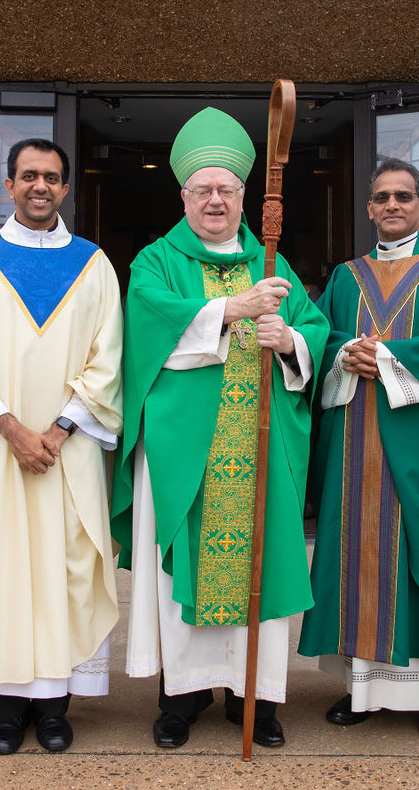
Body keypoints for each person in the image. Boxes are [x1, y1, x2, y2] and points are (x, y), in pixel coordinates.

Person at [112, 106, 328, 749]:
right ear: (182, 196)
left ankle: (250, 697)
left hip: (258, 447)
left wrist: (288, 339)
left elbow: (315, 332)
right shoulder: (156, 261)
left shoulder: (274, 264)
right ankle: (179, 696)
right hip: (184, 452)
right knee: (179, 569)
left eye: (225, 190)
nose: (214, 200)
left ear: (243, 198)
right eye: (202, 190)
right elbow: (149, 328)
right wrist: (231, 310)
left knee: (257, 563)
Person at [0, 138, 123, 756]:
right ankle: (7, 711)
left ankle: (55, 707)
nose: (41, 187)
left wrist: (59, 429)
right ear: (9, 185)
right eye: (29, 176)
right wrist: (12, 429)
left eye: (53, 178)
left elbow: (108, 359)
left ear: (66, 188)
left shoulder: (94, 265)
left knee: (66, 572)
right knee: (0, 572)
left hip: (69, 451)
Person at [298, 158, 419, 740]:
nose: (392, 206)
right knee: (355, 558)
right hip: (353, 443)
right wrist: (341, 354)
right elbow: (321, 335)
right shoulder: (346, 276)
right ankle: (363, 690)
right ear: (368, 207)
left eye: (403, 197)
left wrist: (386, 358)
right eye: (381, 197)